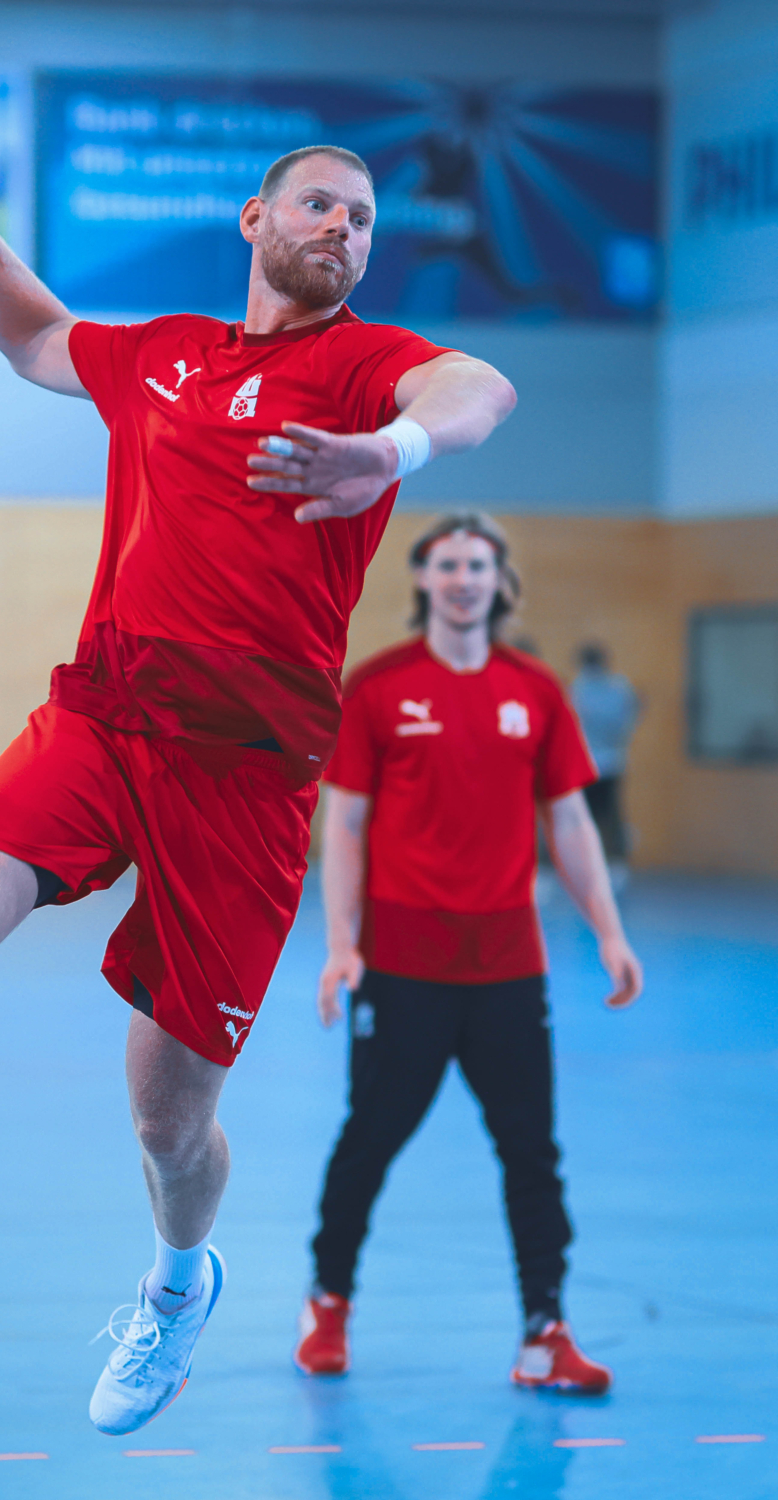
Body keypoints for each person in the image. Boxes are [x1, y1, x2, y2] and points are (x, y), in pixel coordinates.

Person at [0, 87, 516, 1436]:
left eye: (361, 219)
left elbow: (481, 389)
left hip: (246, 777)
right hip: (105, 718)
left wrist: (389, 449)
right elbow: (39, 336)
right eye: (319, 205)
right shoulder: (166, 355)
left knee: (169, 1121)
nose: (343, 231)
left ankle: (179, 1286)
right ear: (257, 219)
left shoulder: (370, 373)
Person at [294, 514, 643, 1393]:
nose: (462, 579)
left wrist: (608, 931)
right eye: (446, 564)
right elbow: (348, 824)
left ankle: (544, 1333)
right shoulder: (377, 688)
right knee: (368, 1143)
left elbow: (569, 818)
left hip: (507, 968)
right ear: (422, 579)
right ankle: (328, 1303)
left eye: (477, 565)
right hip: (402, 966)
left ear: (498, 581)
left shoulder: (535, 690)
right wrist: (341, 945)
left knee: (532, 1152)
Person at [571, 643, 640, 881]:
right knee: (604, 815)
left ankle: (612, 864)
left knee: (602, 816)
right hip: (608, 760)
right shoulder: (618, 688)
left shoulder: (580, 689)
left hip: (599, 761)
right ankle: (611, 864)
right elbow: (630, 718)